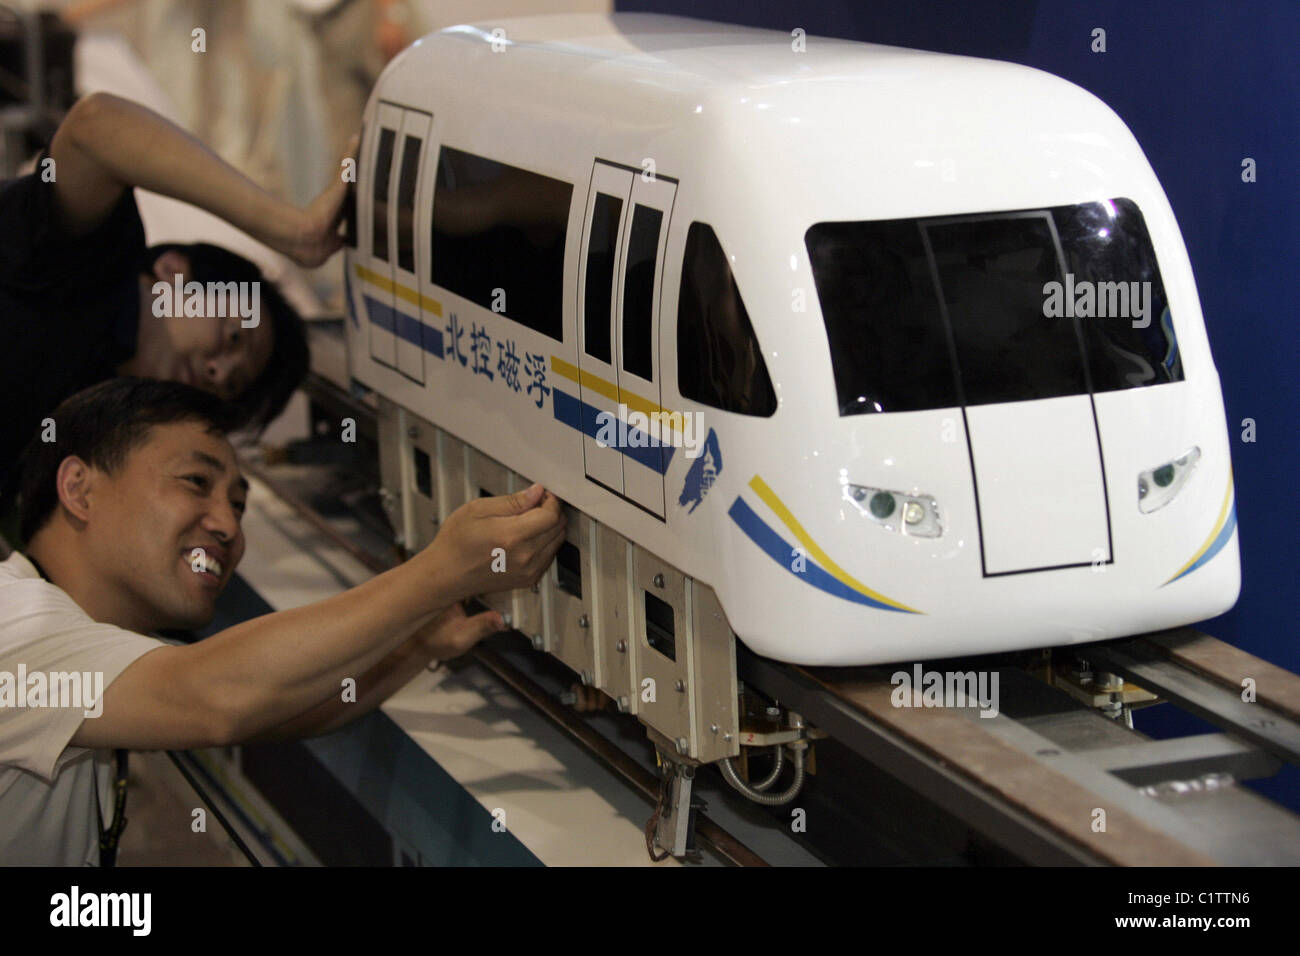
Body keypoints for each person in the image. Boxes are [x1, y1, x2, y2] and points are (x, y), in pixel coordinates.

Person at [0, 378, 566, 865]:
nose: (227, 525)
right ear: (79, 489)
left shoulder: (73, 640)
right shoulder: (17, 624)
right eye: (196, 482)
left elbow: (272, 711)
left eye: (239, 505)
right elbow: (215, 700)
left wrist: (416, 644)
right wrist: (440, 572)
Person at [0, 90, 349, 509]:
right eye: (234, 337)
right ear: (173, 272)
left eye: (232, 387)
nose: (218, 373)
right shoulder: (88, 255)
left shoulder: (88, 433)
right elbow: (96, 125)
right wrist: (294, 231)